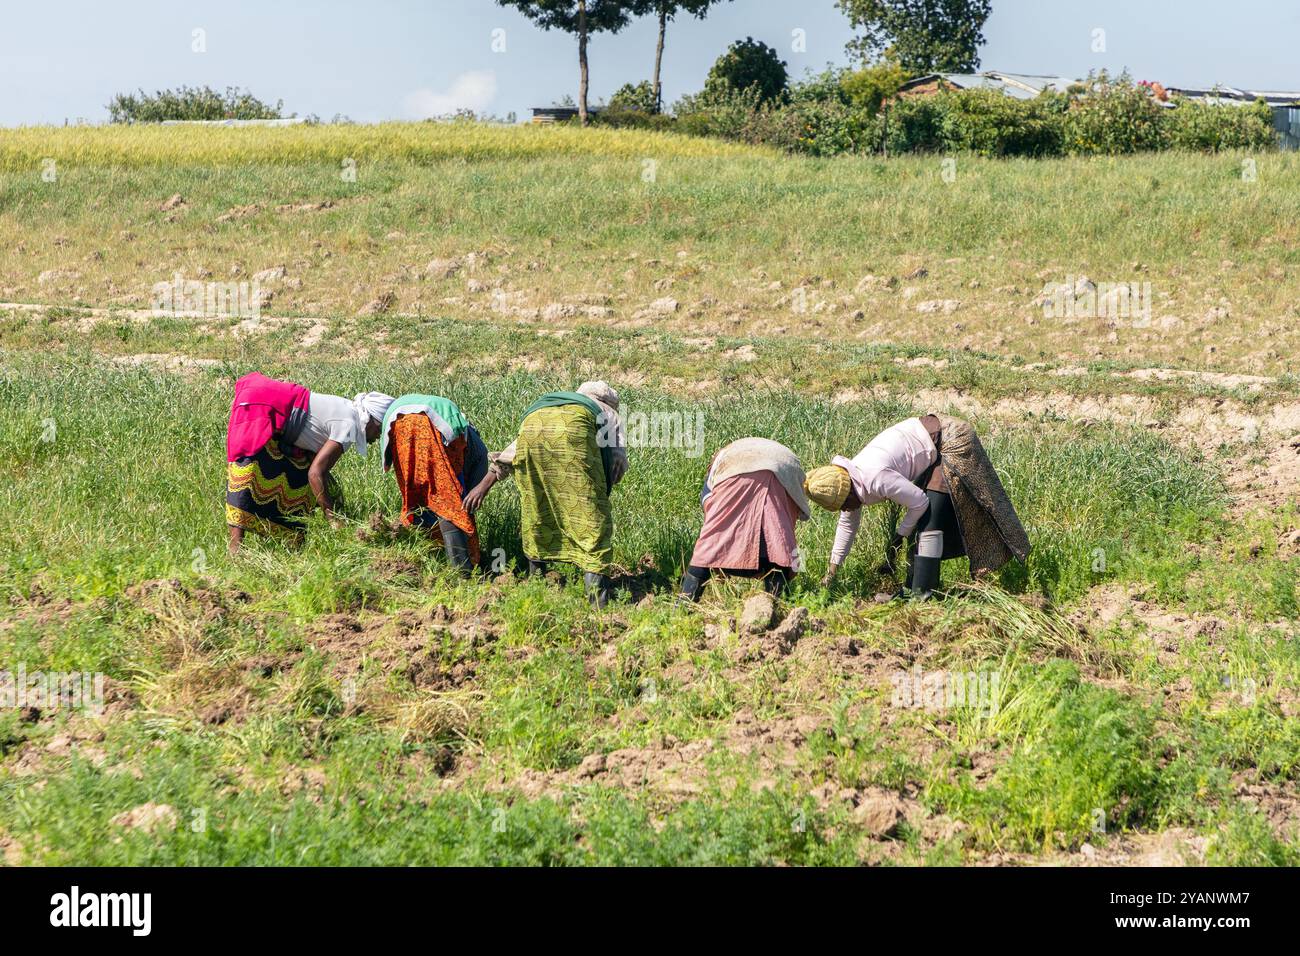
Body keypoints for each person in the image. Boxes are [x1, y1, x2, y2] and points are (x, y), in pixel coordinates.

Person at [804, 414, 1030, 597]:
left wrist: (898, 536)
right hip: (932, 442)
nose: (845, 510)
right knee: (918, 522)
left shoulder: (874, 477)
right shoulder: (851, 481)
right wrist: (831, 573)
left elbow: (919, 503)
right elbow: (846, 528)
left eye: (844, 504)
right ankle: (911, 590)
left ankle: (921, 595)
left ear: (848, 492)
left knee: (928, 523)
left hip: (951, 440)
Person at [465, 381, 627, 606]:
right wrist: (599, 491)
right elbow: (618, 461)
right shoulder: (606, 411)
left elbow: (514, 450)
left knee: (538, 510)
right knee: (593, 525)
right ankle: (596, 604)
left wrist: (483, 485)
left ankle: (537, 588)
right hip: (573, 432)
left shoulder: (553, 406)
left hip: (531, 426)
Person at [226, 372, 393, 552]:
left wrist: (337, 502)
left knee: (297, 478)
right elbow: (316, 473)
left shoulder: (347, 410)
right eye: (380, 431)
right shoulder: (350, 426)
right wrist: (333, 519)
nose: (378, 437)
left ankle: (291, 544)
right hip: (261, 405)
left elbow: (318, 467)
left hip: (264, 400)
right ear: (373, 422)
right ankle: (236, 549)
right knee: (247, 470)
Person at [678, 437, 810, 602]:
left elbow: (709, 508)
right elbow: (797, 514)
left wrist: (718, 551)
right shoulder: (731, 454)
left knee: (709, 545)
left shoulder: (720, 462)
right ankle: (778, 603)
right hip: (786, 469)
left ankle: (684, 604)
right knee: (780, 539)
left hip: (739, 467)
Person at [379, 394, 488, 571]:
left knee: (417, 495)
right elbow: (468, 499)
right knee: (450, 502)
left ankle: (424, 560)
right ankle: (462, 570)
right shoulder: (478, 451)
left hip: (398, 423)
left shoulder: (466, 437)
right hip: (431, 427)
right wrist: (466, 502)